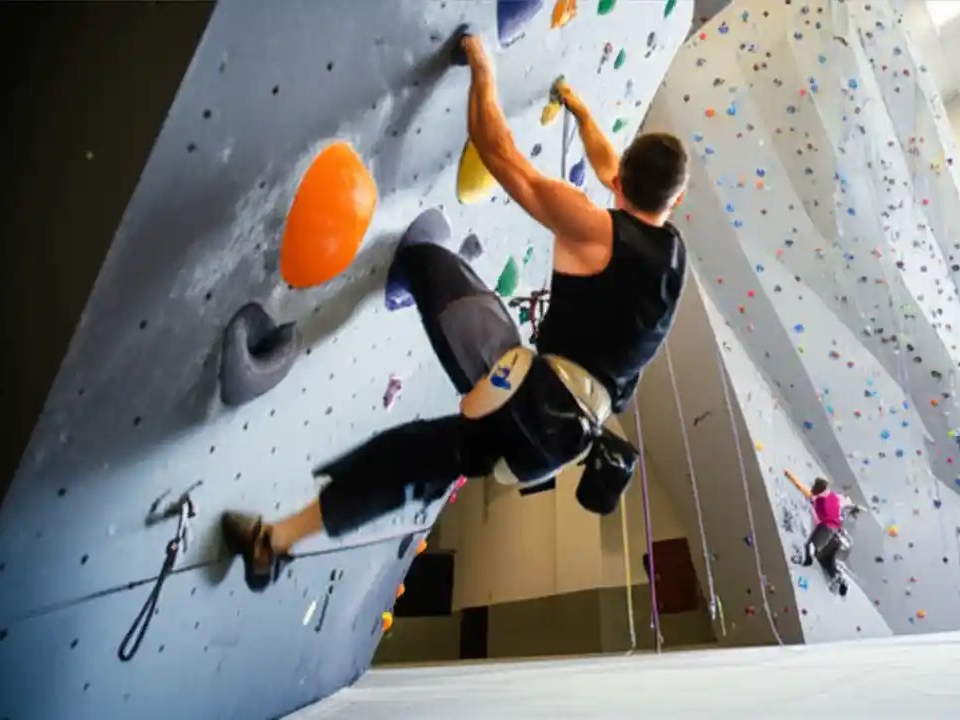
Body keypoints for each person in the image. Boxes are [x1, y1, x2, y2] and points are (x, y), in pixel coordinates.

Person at [221, 31, 690, 590]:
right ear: (674, 200)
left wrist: (481, 67)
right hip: (556, 438)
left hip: (533, 404)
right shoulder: (673, 255)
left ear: (625, 179)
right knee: (409, 459)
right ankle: (272, 543)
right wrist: (582, 109)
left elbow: (496, 153)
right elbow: (614, 166)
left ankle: (277, 538)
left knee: (425, 260)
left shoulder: (594, 229)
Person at [783, 468, 856, 596]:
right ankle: (839, 578)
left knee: (813, 548)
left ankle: (805, 560)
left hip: (827, 532)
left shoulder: (819, 501)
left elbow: (802, 489)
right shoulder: (834, 498)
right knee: (828, 561)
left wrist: (789, 475)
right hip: (837, 536)